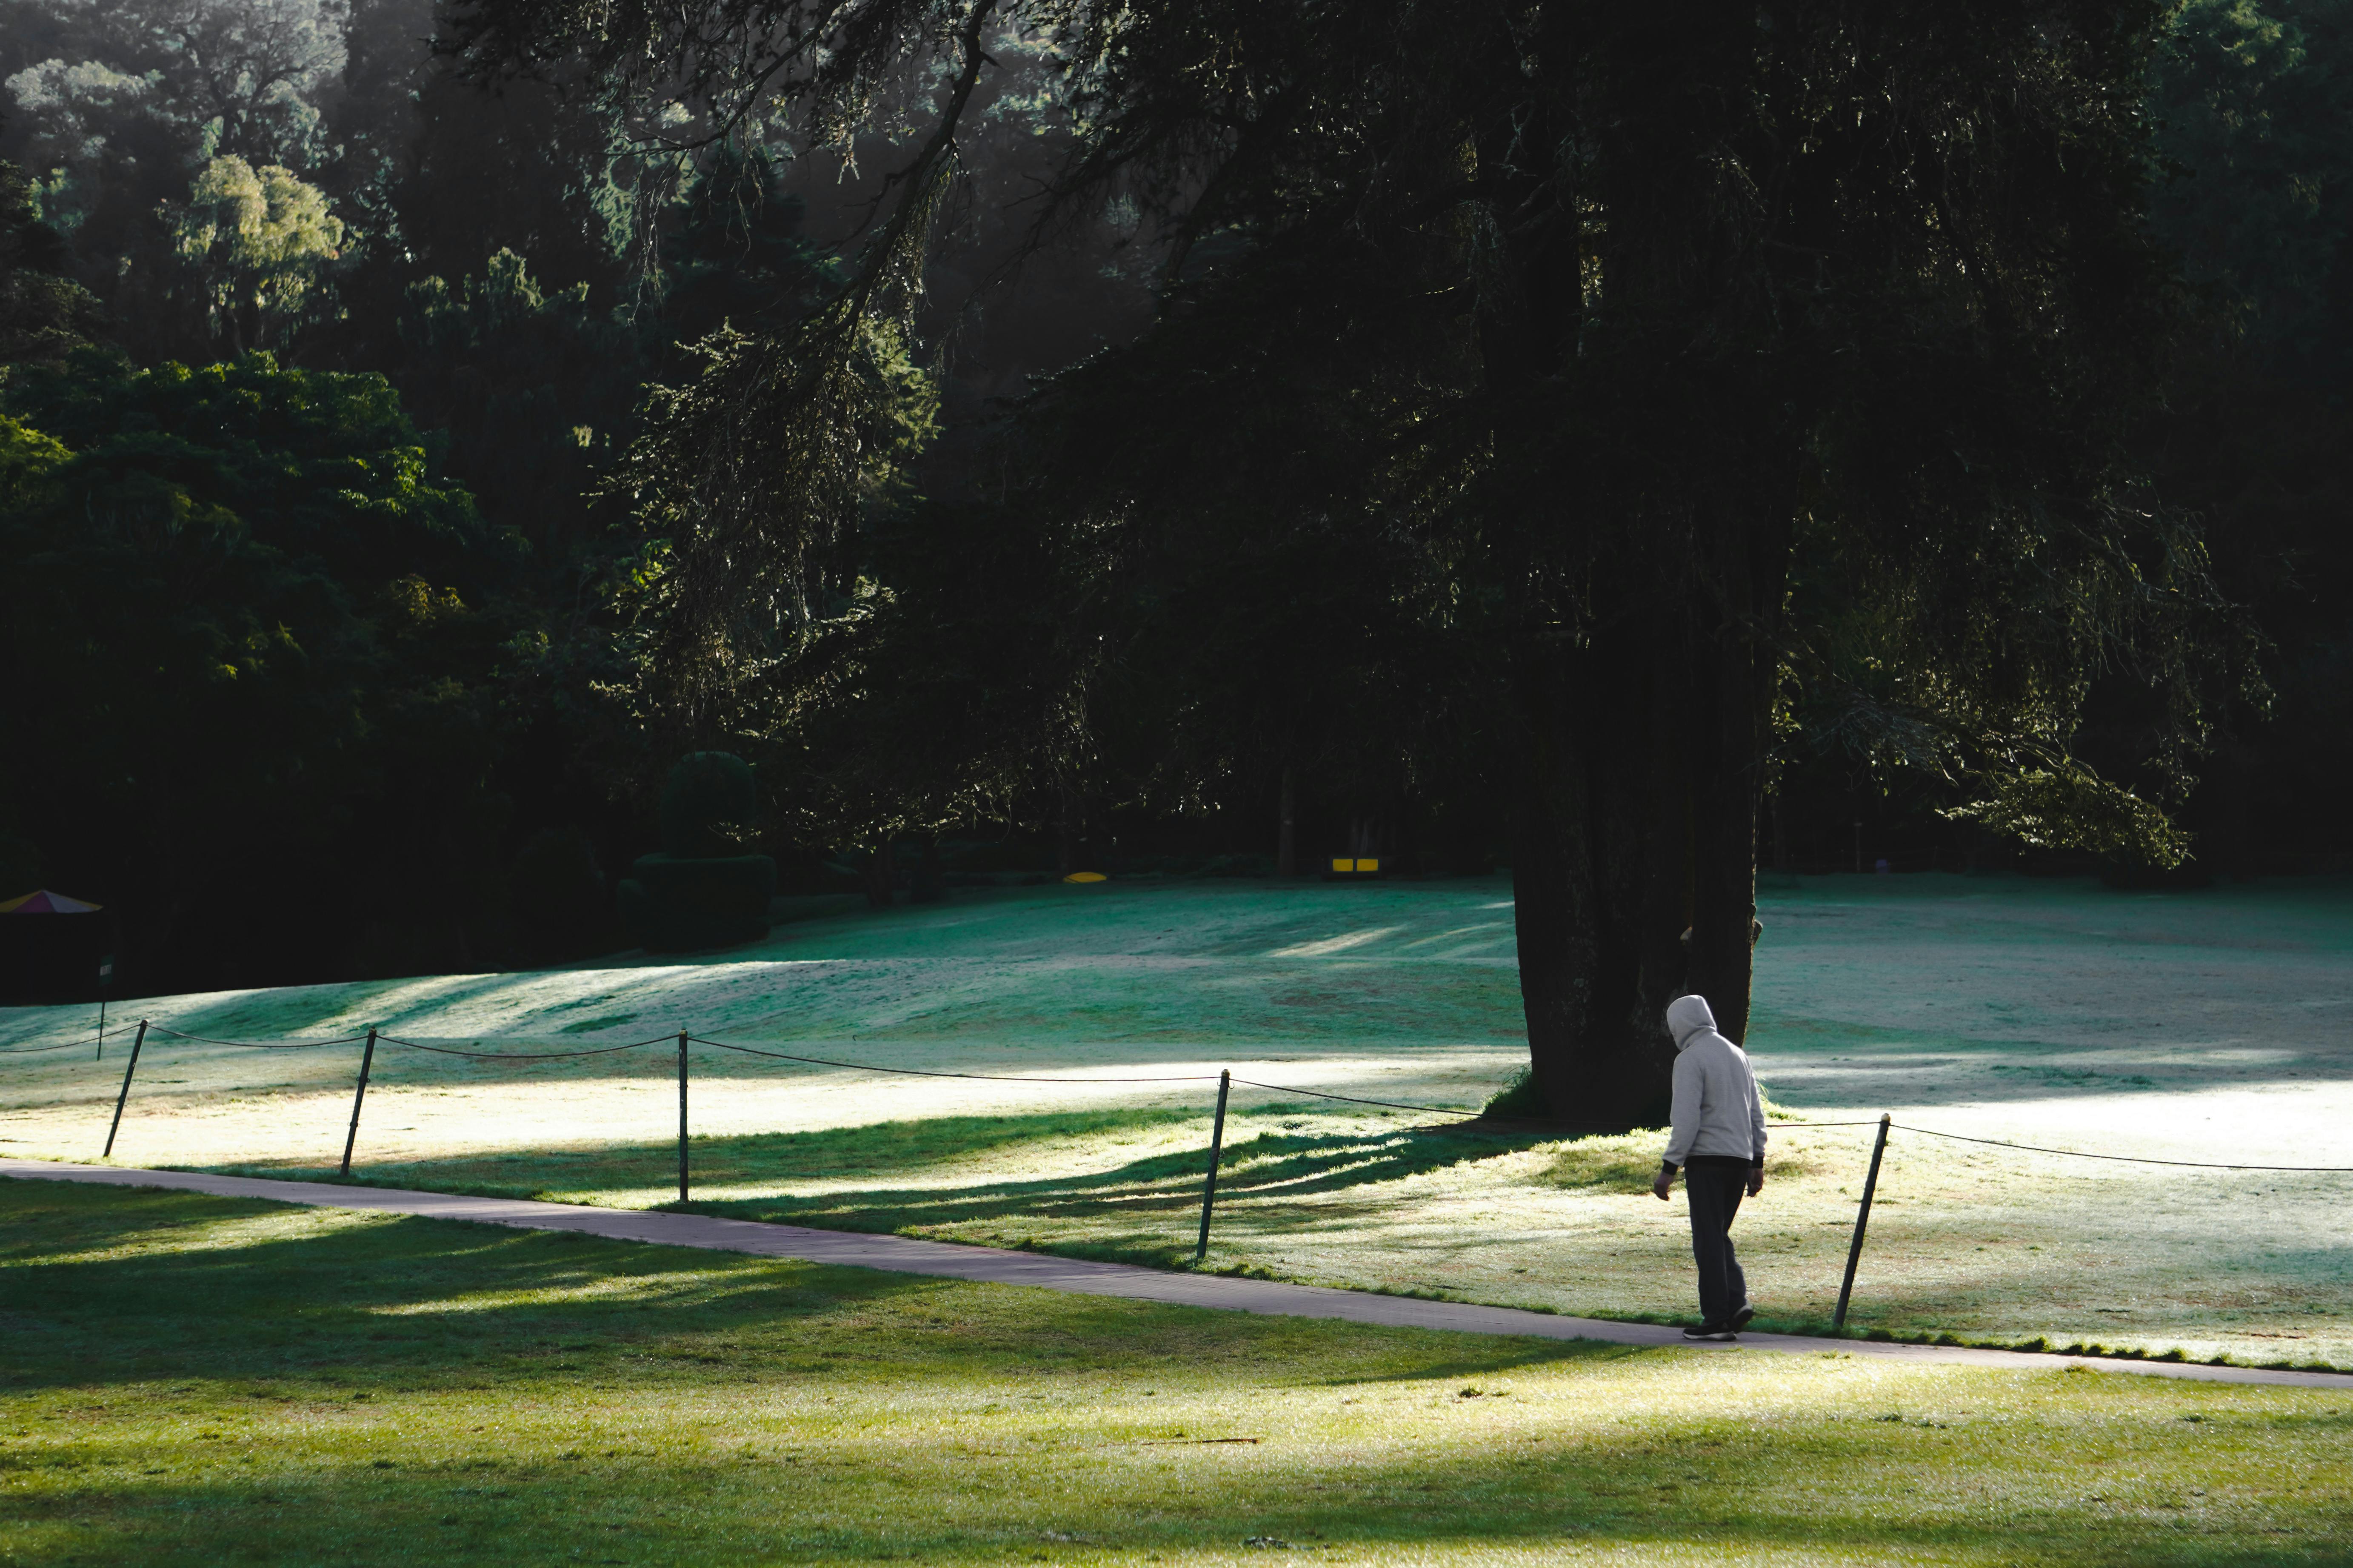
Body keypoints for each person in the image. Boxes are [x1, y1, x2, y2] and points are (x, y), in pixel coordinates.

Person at [1650, 993, 1767, 1340]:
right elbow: (1756, 1114)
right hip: (1739, 1158)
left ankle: (1717, 1318)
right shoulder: (1737, 1055)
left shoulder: (1690, 1059)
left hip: (1706, 1161)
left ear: (1679, 1026)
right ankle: (1735, 1303)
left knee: (1707, 1240)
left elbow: (1686, 1120)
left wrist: (1668, 1170)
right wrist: (1757, 1162)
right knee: (1717, 1235)